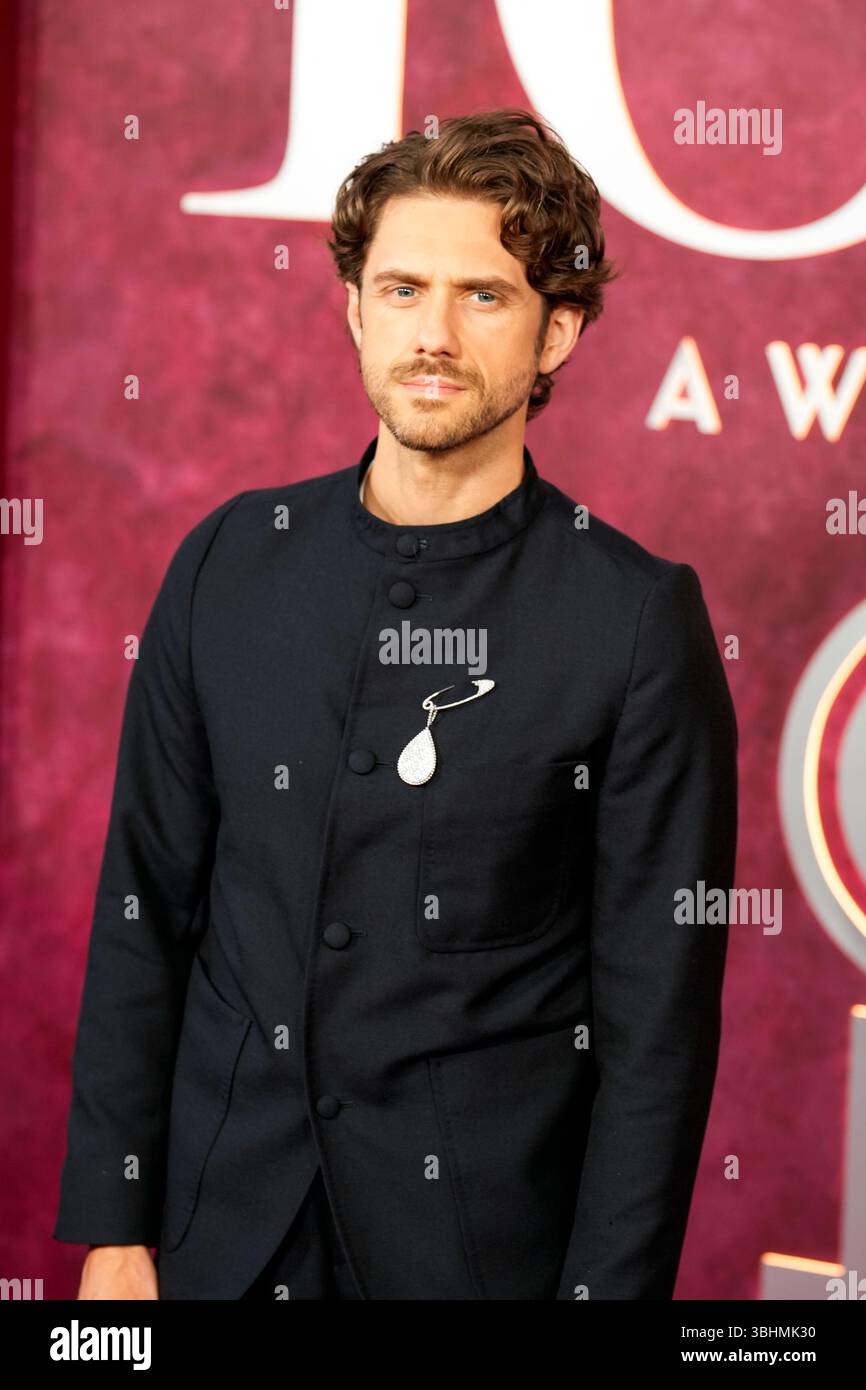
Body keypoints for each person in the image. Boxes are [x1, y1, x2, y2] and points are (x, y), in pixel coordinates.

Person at [54, 107, 738, 1300]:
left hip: (478, 1260)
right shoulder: (228, 563)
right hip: (210, 1244)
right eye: (402, 287)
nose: (432, 333)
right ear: (353, 309)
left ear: (556, 333)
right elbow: (143, 908)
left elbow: (655, 1039)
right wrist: (117, 1226)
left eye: (482, 296)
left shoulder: (633, 622)